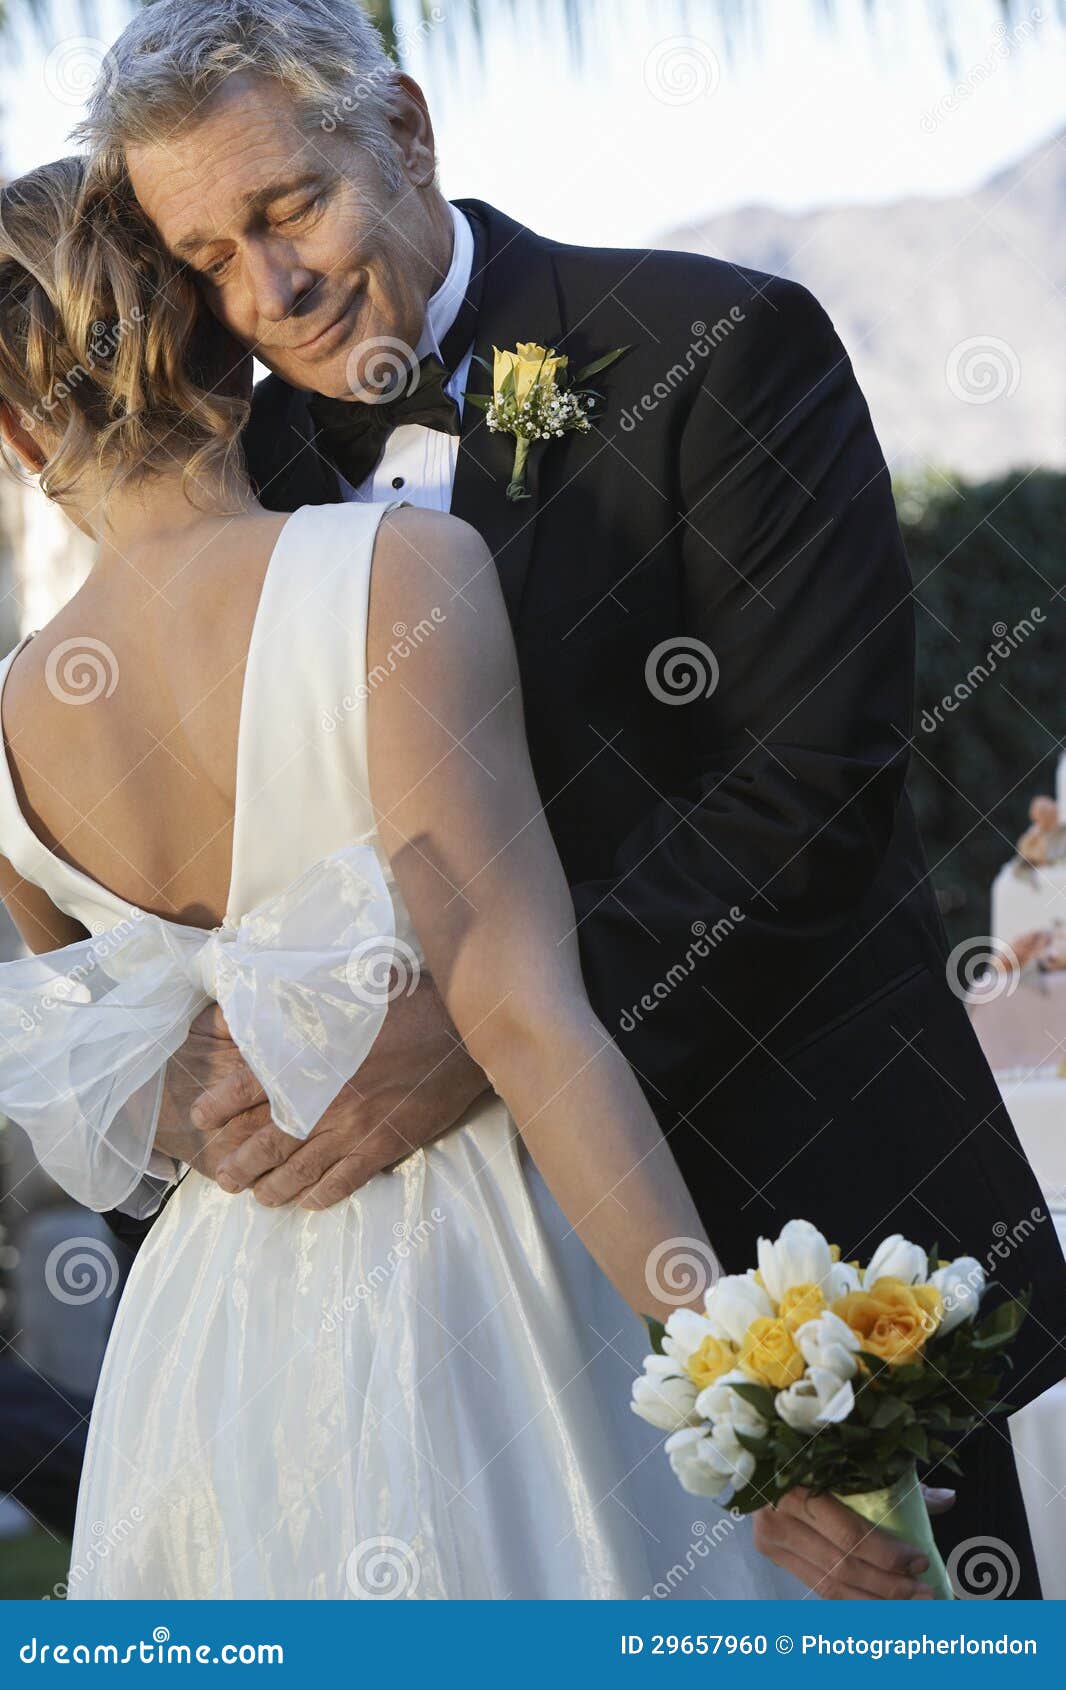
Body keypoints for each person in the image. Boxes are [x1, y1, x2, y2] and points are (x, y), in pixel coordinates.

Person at [74, 0, 1065, 1596]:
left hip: (802, 1218)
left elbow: (816, 791)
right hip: (438, 1312)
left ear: (402, 132)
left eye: (288, 208)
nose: (270, 290)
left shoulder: (716, 345)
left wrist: (472, 1029)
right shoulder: (228, 483)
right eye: (204, 259)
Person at [0, 153, 816, 1599]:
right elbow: (522, 1011)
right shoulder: (394, 573)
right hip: (484, 1272)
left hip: (205, 1340)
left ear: (11, 428)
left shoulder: (10, 723)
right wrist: (738, 1393)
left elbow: (123, 1089)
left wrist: (239, 1091)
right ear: (225, 332)